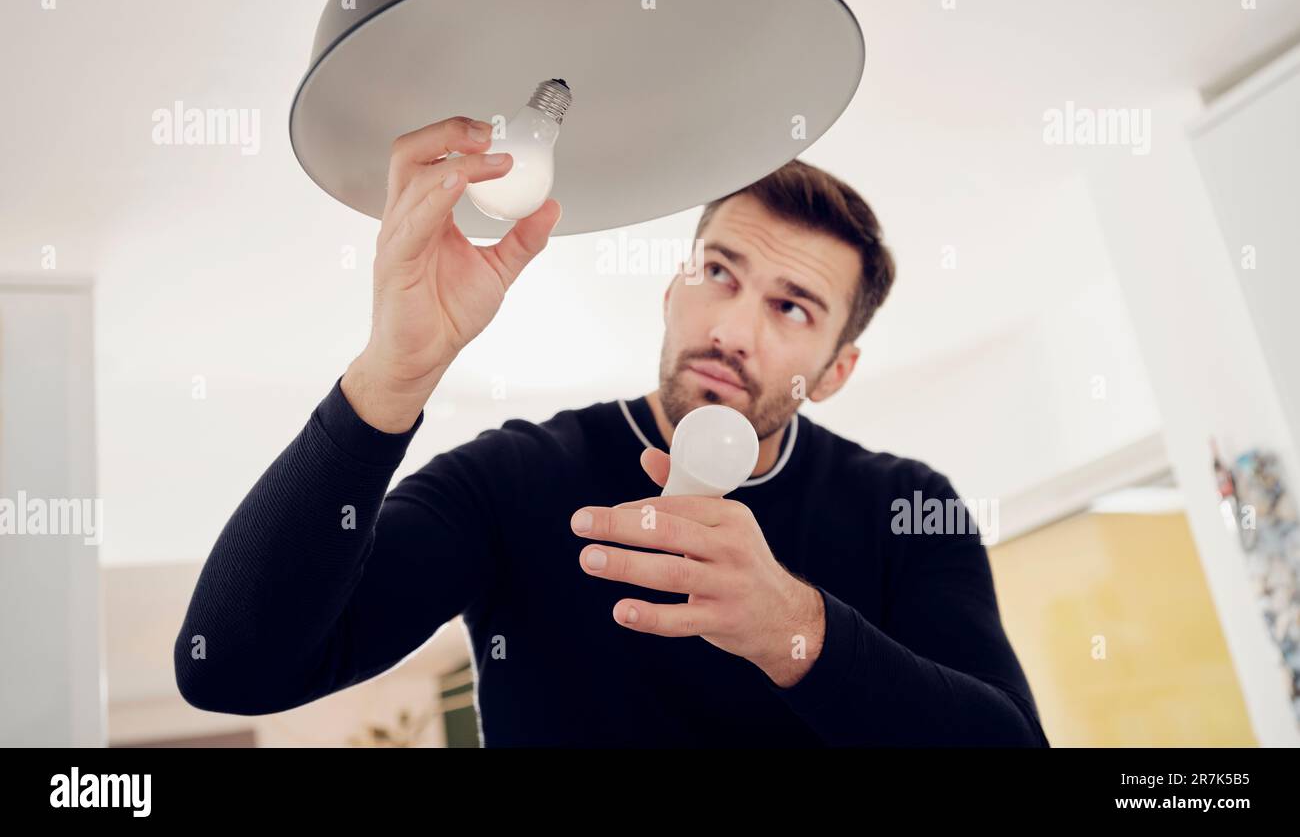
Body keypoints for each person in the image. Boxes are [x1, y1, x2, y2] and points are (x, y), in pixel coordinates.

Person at [174, 115, 1050, 747]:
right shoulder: (514, 478)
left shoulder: (905, 504)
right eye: (718, 273)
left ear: (835, 370)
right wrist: (390, 373)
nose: (733, 329)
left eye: (792, 308)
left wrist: (795, 628)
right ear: (672, 292)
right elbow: (230, 669)